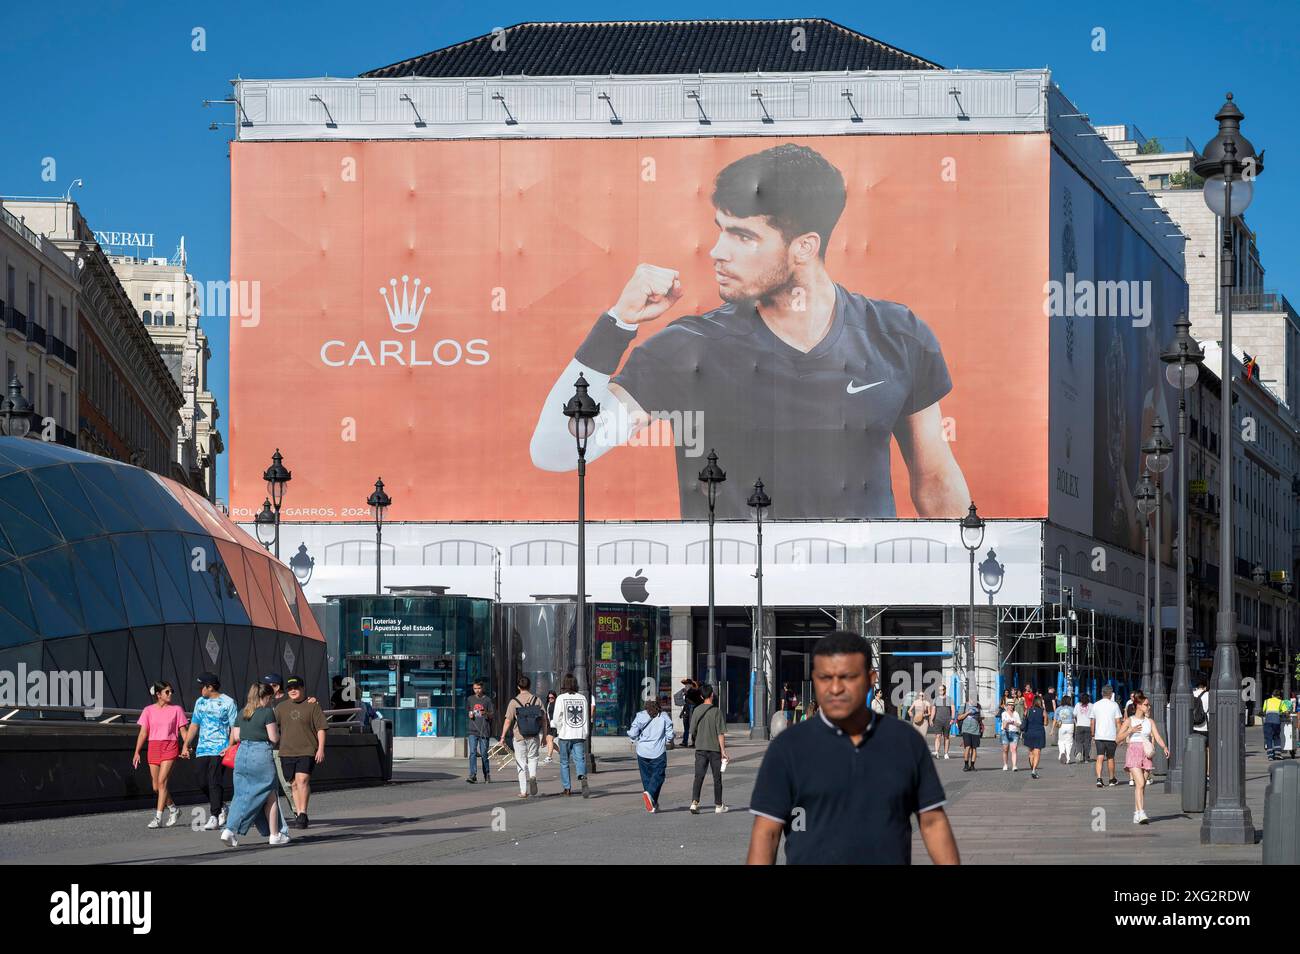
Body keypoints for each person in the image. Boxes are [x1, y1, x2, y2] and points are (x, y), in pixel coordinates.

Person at [530, 144, 971, 522]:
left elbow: (934, 482)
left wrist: (970, 594)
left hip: (859, 602)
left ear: (804, 247)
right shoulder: (689, 347)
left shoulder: (897, 334)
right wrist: (617, 323)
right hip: (730, 605)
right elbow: (559, 451)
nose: (718, 253)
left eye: (743, 237)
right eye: (720, 231)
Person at [746, 631, 958, 864]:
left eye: (848, 677)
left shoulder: (905, 742)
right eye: (825, 677)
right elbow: (767, 832)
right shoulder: (788, 748)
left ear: (871, 678)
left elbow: (933, 822)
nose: (835, 688)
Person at [221, 683, 291, 847]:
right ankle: (274, 835)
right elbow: (274, 738)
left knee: (241, 794)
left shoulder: (242, 713)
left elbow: (237, 736)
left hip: (242, 754)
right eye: (270, 698)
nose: (270, 701)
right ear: (265, 697)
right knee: (270, 793)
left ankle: (229, 830)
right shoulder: (267, 712)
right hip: (261, 754)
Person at [182, 672, 237, 830]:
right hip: (202, 748)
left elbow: (234, 727)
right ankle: (221, 805)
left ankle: (214, 815)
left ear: (210, 687)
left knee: (214, 780)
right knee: (201, 781)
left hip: (220, 748)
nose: (200, 690)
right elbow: (194, 725)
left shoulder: (228, 702)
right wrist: (186, 745)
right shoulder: (200, 702)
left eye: (202, 686)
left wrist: (230, 745)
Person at [132, 681, 188, 829]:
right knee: (156, 786)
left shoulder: (177, 710)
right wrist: (137, 751)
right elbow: (143, 732)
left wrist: (186, 747)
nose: (170, 694)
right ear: (158, 694)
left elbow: (183, 731)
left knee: (162, 782)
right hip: (154, 747)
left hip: (170, 746)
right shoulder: (148, 710)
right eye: (167, 692)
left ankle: (158, 818)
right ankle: (174, 809)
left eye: (171, 691)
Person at [274, 676, 326, 829]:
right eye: (290, 688)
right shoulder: (281, 708)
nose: (293, 691)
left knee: (302, 780)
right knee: (294, 784)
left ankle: (303, 813)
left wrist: (321, 748)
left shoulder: (313, 705)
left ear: (303, 688)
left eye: (296, 688)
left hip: (307, 750)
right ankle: (298, 813)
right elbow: (271, 725)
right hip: (286, 752)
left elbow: (321, 728)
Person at [1117, 691, 1169, 825]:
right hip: (1134, 751)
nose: (1148, 707)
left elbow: (1156, 736)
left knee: (1142, 786)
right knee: (1139, 783)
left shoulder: (1149, 721)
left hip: (1146, 753)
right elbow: (1118, 739)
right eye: (1146, 705)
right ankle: (1141, 813)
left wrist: (1164, 747)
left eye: (1148, 705)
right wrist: (1130, 731)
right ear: (1139, 705)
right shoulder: (1129, 720)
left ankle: (1136, 813)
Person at [500, 675, 548, 799]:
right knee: (533, 757)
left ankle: (523, 791)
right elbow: (544, 719)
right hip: (534, 735)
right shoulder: (537, 700)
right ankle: (532, 776)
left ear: (518, 687)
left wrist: (502, 736)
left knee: (521, 762)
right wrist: (544, 736)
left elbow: (508, 721)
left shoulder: (514, 702)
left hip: (519, 736)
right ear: (529, 686)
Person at [688, 684, 730, 814]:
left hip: (700, 748)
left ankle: (694, 802)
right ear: (712, 695)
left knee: (698, 776)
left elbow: (692, 730)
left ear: (701, 696)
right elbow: (720, 733)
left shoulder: (696, 710)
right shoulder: (717, 711)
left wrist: (697, 739)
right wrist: (723, 751)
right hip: (715, 749)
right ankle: (718, 805)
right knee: (717, 777)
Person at [628, 698, 675, 812]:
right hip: (658, 751)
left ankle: (652, 802)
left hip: (642, 751)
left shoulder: (640, 715)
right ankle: (650, 796)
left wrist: (635, 738)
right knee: (659, 776)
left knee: (647, 778)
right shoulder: (664, 716)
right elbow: (670, 735)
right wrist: (666, 740)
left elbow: (633, 733)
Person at [552, 673, 591, 797]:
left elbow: (556, 717)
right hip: (578, 734)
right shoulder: (582, 698)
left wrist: (558, 728)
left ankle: (567, 788)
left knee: (564, 762)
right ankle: (582, 776)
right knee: (580, 759)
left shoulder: (561, 698)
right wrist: (585, 732)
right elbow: (585, 716)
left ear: (565, 684)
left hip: (565, 734)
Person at [1090, 686, 1123, 788]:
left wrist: (1093, 734)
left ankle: (1099, 779)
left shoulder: (1095, 705)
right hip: (1111, 736)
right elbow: (1118, 722)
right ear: (1111, 694)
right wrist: (1120, 735)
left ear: (1102, 693)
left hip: (1099, 735)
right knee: (1110, 757)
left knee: (1099, 756)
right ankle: (1111, 779)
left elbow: (1092, 721)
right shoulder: (1114, 705)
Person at [465, 680, 495, 784]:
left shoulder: (487, 700)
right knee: (473, 752)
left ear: (482, 688)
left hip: (484, 730)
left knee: (483, 754)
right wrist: (470, 714)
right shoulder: (470, 699)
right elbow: (468, 710)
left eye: (479, 688)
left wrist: (485, 712)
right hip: (472, 730)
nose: (477, 690)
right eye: (475, 688)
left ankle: (486, 774)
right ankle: (473, 775)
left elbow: (492, 715)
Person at [1022, 693, 1048, 779]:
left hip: (1029, 732)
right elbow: (1045, 723)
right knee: (1037, 752)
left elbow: (1025, 720)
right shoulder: (1042, 711)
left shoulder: (1028, 710)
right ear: (1040, 702)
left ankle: (1032, 769)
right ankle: (1034, 770)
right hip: (1039, 732)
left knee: (1031, 752)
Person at [1263, 689, 1289, 761]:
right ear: (1279, 696)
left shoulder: (1267, 701)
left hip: (1268, 721)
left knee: (1269, 738)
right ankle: (1277, 754)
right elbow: (1285, 712)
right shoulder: (1281, 702)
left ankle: (1270, 756)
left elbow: (1264, 710)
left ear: (1272, 695)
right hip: (1276, 721)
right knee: (1276, 737)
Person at [958, 696, 982, 772]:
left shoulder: (978, 706)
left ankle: (972, 766)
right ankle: (966, 765)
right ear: (969, 699)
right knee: (967, 747)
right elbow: (959, 717)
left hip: (976, 730)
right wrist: (968, 713)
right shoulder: (964, 705)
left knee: (974, 748)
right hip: (966, 730)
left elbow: (981, 717)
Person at [678, 678, 703, 746]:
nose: (686, 685)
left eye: (687, 684)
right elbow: (685, 704)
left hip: (693, 709)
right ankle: (685, 742)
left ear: (691, 684)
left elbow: (696, 691)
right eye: (685, 684)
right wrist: (682, 712)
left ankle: (694, 742)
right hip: (687, 710)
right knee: (686, 727)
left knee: (693, 726)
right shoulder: (686, 691)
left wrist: (693, 683)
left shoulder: (695, 690)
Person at [1001, 693, 1022, 772]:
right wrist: (1008, 722)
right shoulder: (1004, 713)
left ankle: (1014, 766)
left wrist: (1012, 722)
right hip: (1005, 732)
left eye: (1012, 705)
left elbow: (1019, 724)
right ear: (1007, 705)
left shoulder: (1016, 714)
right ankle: (1005, 764)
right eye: (1009, 705)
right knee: (1005, 749)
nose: (1011, 706)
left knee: (1014, 749)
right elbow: (1004, 725)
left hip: (1014, 732)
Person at [931, 685, 953, 759]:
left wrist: (952, 719)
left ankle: (946, 753)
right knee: (938, 736)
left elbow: (953, 709)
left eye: (942, 689)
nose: (941, 691)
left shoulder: (950, 699)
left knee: (946, 737)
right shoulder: (936, 699)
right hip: (938, 720)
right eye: (940, 690)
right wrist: (931, 719)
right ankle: (937, 752)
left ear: (945, 690)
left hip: (947, 720)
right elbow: (933, 710)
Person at [1055, 695, 1076, 764]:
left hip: (1062, 725)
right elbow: (1075, 717)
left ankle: (1062, 752)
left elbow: (1055, 719)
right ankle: (1068, 758)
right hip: (1070, 725)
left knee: (1061, 741)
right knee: (1069, 742)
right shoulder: (1072, 709)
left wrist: (1053, 728)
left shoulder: (1058, 709)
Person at [1074, 694, 1093, 764]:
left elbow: (1074, 715)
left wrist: (1077, 721)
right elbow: (1093, 717)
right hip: (1088, 726)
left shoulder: (1077, 705)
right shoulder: (1091, 705)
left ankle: (1079, 752)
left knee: (1079, 742)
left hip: (1079, 725)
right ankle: (1086, 758)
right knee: (1087, 743)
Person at [542, 690, 559, 763]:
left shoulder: (557, 704)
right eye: (549, 698)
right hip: (549, 725)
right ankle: (561, 752)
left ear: (555, 697)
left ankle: (549, 757)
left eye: (552, 697)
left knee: (549, 740)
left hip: (555, 724)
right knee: (549, 740)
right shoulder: (547, 704)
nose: (550, 699)